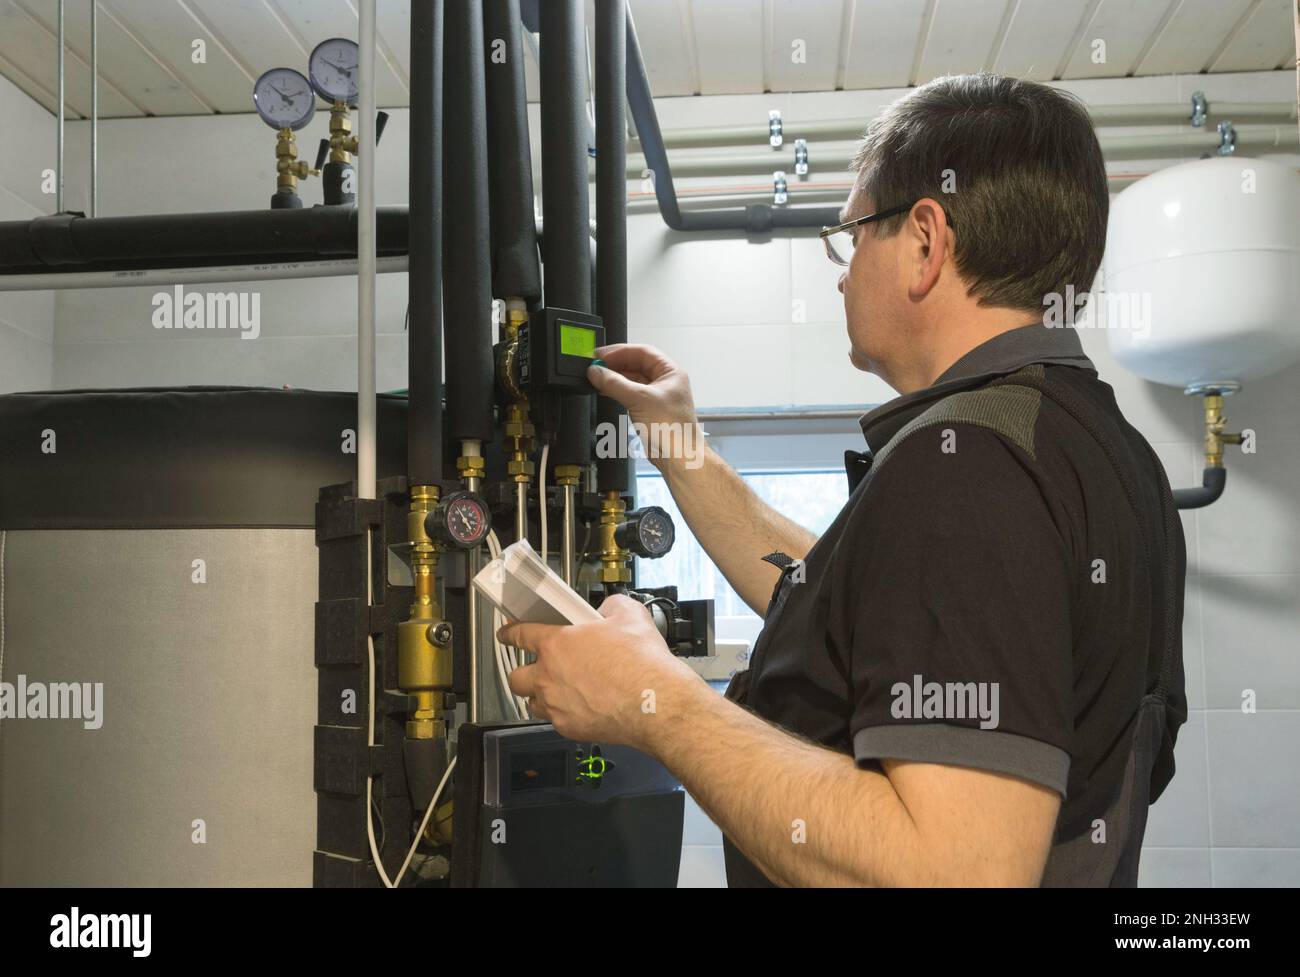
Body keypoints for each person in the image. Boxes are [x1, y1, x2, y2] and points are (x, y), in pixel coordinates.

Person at [498, 72, 1187, 887]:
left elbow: (950, 871)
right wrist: (679, 441)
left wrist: (658, 704)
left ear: (927, 242)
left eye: (853, 233)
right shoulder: (1098, 449)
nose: (841, 268)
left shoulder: (967, 469)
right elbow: (855, 603)